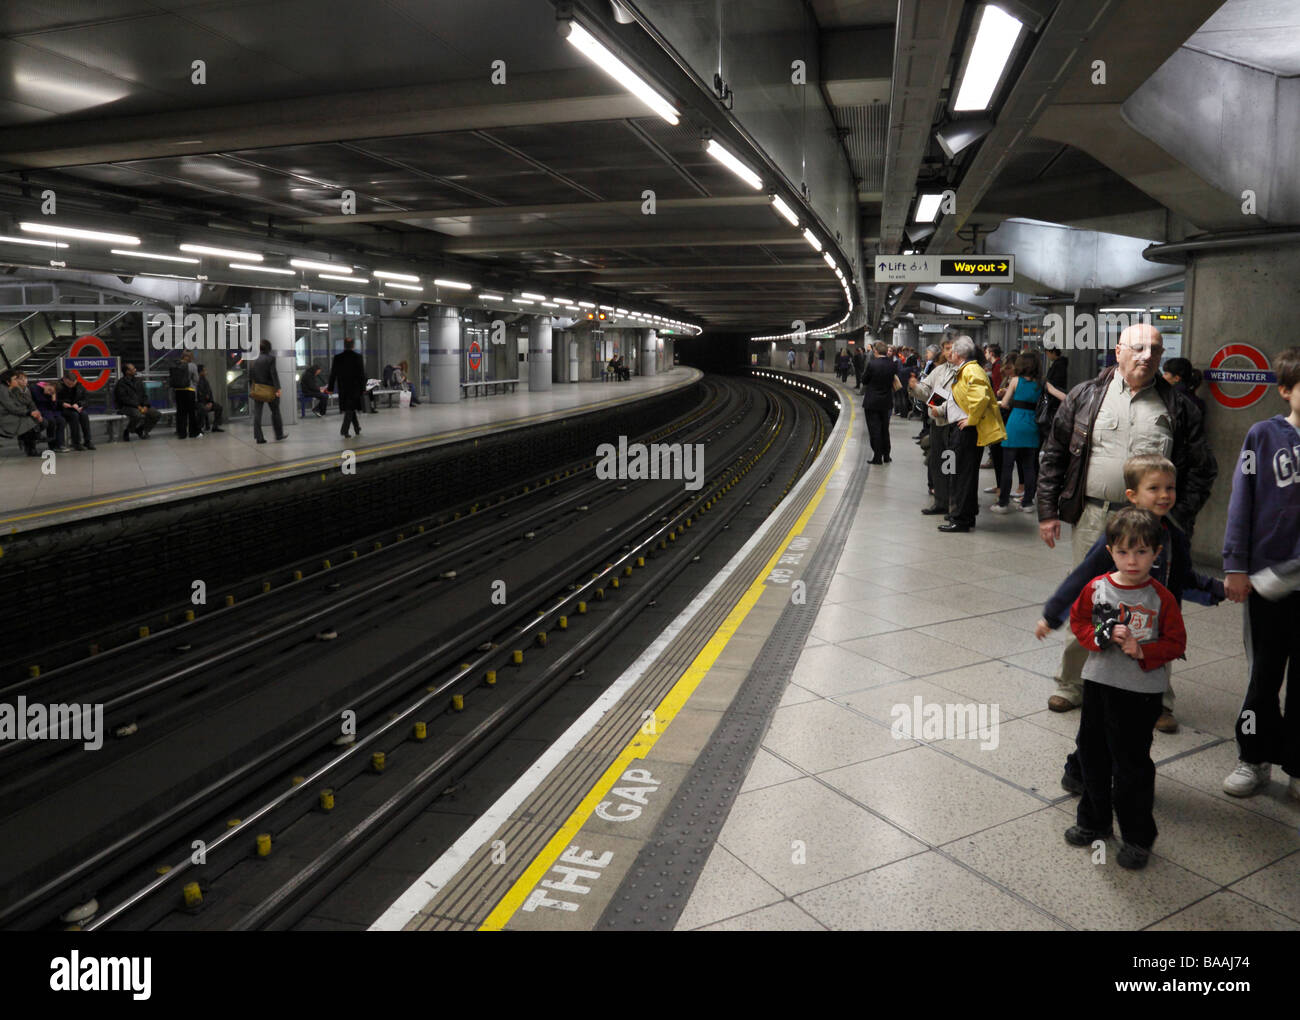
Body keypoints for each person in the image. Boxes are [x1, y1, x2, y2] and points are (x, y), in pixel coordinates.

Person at [1036, 322, 1216, 713]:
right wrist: (1048, 511)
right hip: (1096, 516)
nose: (1146, 356)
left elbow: (1202, 468)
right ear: (1118, 350)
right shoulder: (1086, 396)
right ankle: (1072, 684)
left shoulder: (1178, 406)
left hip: (1154, 527)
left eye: (1154, 349)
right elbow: (1055, 454)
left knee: (1158, 606)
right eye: (1137, 348)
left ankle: (1157, 697)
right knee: (1090, 598)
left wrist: (1177, 518)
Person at [1038, 454, 1224, 760]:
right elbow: (1083, 576)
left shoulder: (1174, 536)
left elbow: (1184, 577)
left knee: (1152, 673)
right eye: (1154, 488)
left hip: (1153, 629)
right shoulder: (1118, 535)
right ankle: (1082, 764)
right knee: (1104, 709)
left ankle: (1156, 706)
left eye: (1170, 488)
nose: (1164, 495)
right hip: (1114, 631)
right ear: (1132, 495)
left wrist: (1218, 590)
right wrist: (1051, 615)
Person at [1064, 506, 1186, 870]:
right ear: (1110, 551)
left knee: (1131, 765)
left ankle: (1137, 836)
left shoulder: (1160, 598)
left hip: (1140, 694)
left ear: (1156, 553)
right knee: (1092, 754)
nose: (1132, 561)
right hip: (1099, 686)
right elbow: (1080, 623)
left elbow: (1177, 643)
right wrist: (1103, 635)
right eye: (1123, 552)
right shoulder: (1097, 589)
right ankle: (1094, 821)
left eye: (1142, 552)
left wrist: (1143, 649)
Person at [1220, 345, 1300, 801]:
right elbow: (1242, 503)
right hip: (1269, 582)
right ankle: (1253, 757)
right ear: (1286, 390)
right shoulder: (1263, 436)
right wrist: (1235, 565)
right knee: (1263, 677)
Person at [940, 336, 1005, 532]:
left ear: (957, 354)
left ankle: (961, 518)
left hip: (967, 431)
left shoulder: (970, 370)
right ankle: (963, 514)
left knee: (962, 474)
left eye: (951, 351)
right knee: (961, 473)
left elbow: (981, 397)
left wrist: (972, 419)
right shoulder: (965, 369)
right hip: (961, 429)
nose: (949, 354)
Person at [909, 337, 956, 514]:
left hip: (953, 425)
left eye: (953, 348)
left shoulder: (965, 371)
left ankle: (953, 503)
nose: (950, 352)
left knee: (950, 464)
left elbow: (959, 398)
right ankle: (941, 501)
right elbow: (929, 391)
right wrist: (915, 388)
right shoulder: (940, 370)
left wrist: (940, 409)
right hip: (938, 424)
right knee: (937, 463)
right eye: (946, 349)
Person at [990, 353, 1040, 513]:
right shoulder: (1041, 383)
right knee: (1029, 466)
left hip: (1015, 424)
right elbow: (1062, 396)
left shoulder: (1015, 381)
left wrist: (1008, 400)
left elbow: (1004, 404)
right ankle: (1028, 503)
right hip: (1032, 425)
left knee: (1007, 466)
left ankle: (1003, 503)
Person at [860, 341, 900, 465]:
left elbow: (864, 380)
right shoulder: (892, 365)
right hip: (886, 401)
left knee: (874, 430)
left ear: (876, 351)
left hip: (872, 402)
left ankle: (877, 457)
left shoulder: (872, 364)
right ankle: (887, 455)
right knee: (884, 429)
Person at [327, 336, 367, 439]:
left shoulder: (337, 358)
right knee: (350, 408)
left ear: (344, 346)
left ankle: (357, 428)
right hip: (355, 388)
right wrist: (363, 388)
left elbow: (333, 374)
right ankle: (344, 430)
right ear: (353, 345)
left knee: (350, 408)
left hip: (343, 388)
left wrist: (330, 388)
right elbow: (362, 374)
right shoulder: (358, 357)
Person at [248, 339, 285, 444]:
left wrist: (252, 388)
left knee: (257, 414)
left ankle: (259, 438)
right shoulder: (271, 358)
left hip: (258, 389)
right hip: (270, 389)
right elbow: (273, 373)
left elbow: (250, 376)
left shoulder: (253, 359)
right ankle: (279, 435)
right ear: (269, 348)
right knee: (275, 411)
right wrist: (278, 388)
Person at [0, 369, 43, 456]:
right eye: (15, 379)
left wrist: (31, 412)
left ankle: (31, 445)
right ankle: (33, 444)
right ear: (8, 381)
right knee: (29, 420)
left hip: (10, 413)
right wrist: (28, 413)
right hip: (4, 416)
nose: (17, 381)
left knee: (30, 419)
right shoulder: (2, 390)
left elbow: (19, 405)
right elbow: (11, 407)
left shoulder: (9, 388)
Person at [113, 363, 160, 440]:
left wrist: (145, 405)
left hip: (141, 405)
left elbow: (144, 395)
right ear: (127, 372)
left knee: (156, 414)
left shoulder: (138, 381)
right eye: (133, 369)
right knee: (138, 415)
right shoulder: (121, 383)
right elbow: (124, 399)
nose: (135, 370)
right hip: (126, 406)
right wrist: (138, 407)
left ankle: (141, 429)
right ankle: (128, 430)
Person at [56, 371, 95, 450]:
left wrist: (80, 405)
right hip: (62, 409)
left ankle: (88, 441)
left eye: (72, 384)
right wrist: (62, 403)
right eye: (68, 384)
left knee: (84, 414)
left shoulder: (79, 386)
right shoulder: (57, 386)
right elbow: (53, 400)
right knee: (74, 415)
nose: (71, 386)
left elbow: (87, 399)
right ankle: (76, 442)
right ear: (64, 379)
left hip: (75, 408)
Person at [29, 378, 69, 452]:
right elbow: (39, 401)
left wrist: (53, 398)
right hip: (38, 411)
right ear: (47, 385)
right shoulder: (35, 388)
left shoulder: (51, 394)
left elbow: (53, 408)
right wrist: (49, 400)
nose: (48, 393)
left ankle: (59, 444)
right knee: (51, 421)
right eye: (49, 389)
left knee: (61, 420)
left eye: (51, 392)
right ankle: (52, 445)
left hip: (47, 412)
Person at [170, 351, 201, 439]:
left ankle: (182, 434)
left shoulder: (176, 364)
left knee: (180, 413)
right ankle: (193, 433)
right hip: (189, 391)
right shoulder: (192, 365)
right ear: (189, 357)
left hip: (178, 391)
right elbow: (196, 379)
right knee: (191, 413)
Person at [196, 364, 224, 433]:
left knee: (219, 407)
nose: (206, 372)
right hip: (200, 403)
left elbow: (209, 392)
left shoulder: (206, 381)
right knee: (202, 409)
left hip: (208, 402)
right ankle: (199, 428)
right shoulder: (196, 381)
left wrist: (211, 402)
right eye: (204, 370)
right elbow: (198, 395)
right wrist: (204, 404)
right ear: (200, 372)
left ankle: (215, 426)